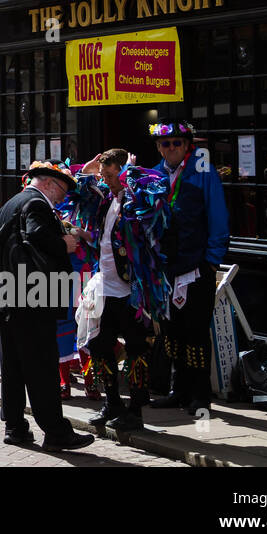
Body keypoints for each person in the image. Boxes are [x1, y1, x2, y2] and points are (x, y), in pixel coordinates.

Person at [0, 161, 94, 452]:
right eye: (62, 190)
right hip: (35, 296)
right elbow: (37, 237)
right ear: (48, 183)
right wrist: (65, 244)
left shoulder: (12, 203)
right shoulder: (36, 204)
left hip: (10, 294)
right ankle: (56, 431)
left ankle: (15, 427)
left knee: (13, 364)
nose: (62, 197)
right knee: (42, 365)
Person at [68, 149, 172, 430]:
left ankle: (136, 410)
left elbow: (156, 202)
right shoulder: (106, 202)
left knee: (137, 350)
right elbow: (78, 194)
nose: (107, 181)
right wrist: (88, 169)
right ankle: (111, 403)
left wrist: (131, 175)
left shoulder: (136, 199)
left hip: (132, 293)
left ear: (123, 173)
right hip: (104, 289)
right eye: (104, 176)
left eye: (112, 175)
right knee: (100, 348)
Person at [147, 120, 230, 415]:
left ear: (187, 146)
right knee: (171, 332)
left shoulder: (203, 172)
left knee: (195, 332)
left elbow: (218, 217)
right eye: (166, 144)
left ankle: (199, 395)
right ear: (159, 147)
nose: (171, 148)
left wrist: (211, 260)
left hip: (196, 266)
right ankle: (178, 389)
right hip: (165, 268)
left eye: (177, 143)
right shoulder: (153, 176)